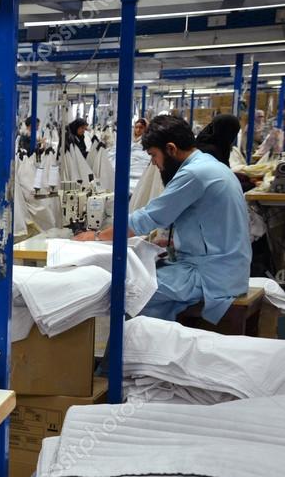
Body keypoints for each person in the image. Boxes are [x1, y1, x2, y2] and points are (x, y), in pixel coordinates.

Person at [74, 115, 250, 324]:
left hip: (212, 275)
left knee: (131, 290)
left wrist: (96, 236)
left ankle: (142, 351)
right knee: (143, 278)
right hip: (225, 268)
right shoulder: (209, 165)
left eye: (154, 156)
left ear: (171, 149)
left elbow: (148, 218)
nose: (156, 165)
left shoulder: (195, 173)